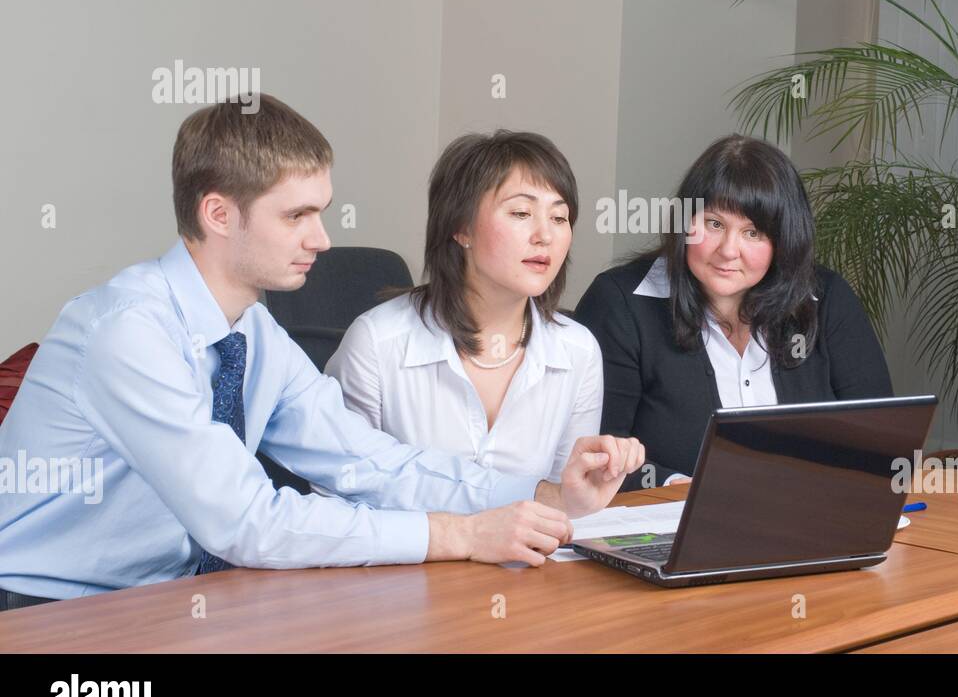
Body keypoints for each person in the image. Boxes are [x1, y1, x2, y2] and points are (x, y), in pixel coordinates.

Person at [0, 95, 642, 610]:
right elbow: (246, 521)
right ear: (220, 214)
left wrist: (545, 494)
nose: (322, 238)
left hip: (168, 600)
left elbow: (371, 462)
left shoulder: (251, 330)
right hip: (44, 608)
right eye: (296, 216)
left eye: (322, 212)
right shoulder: (130, 332)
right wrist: (457, 535)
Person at [575, 134, 892, 491]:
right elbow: (592, 457)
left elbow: (882, 440)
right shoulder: (620, 302)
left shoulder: (826, 297)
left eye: (753, 233)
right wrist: (688, 492)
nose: (729, 251)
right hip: (669, 529)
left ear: (784, 241)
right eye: (714, 224)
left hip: (814, 521)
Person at [326, 131, 605, 483]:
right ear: (461, 228)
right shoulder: (378, 342)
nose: (544, 235)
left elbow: (563, 498)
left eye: (559, 218)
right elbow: (341, 491)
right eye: (521, 212)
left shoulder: (578, 351)